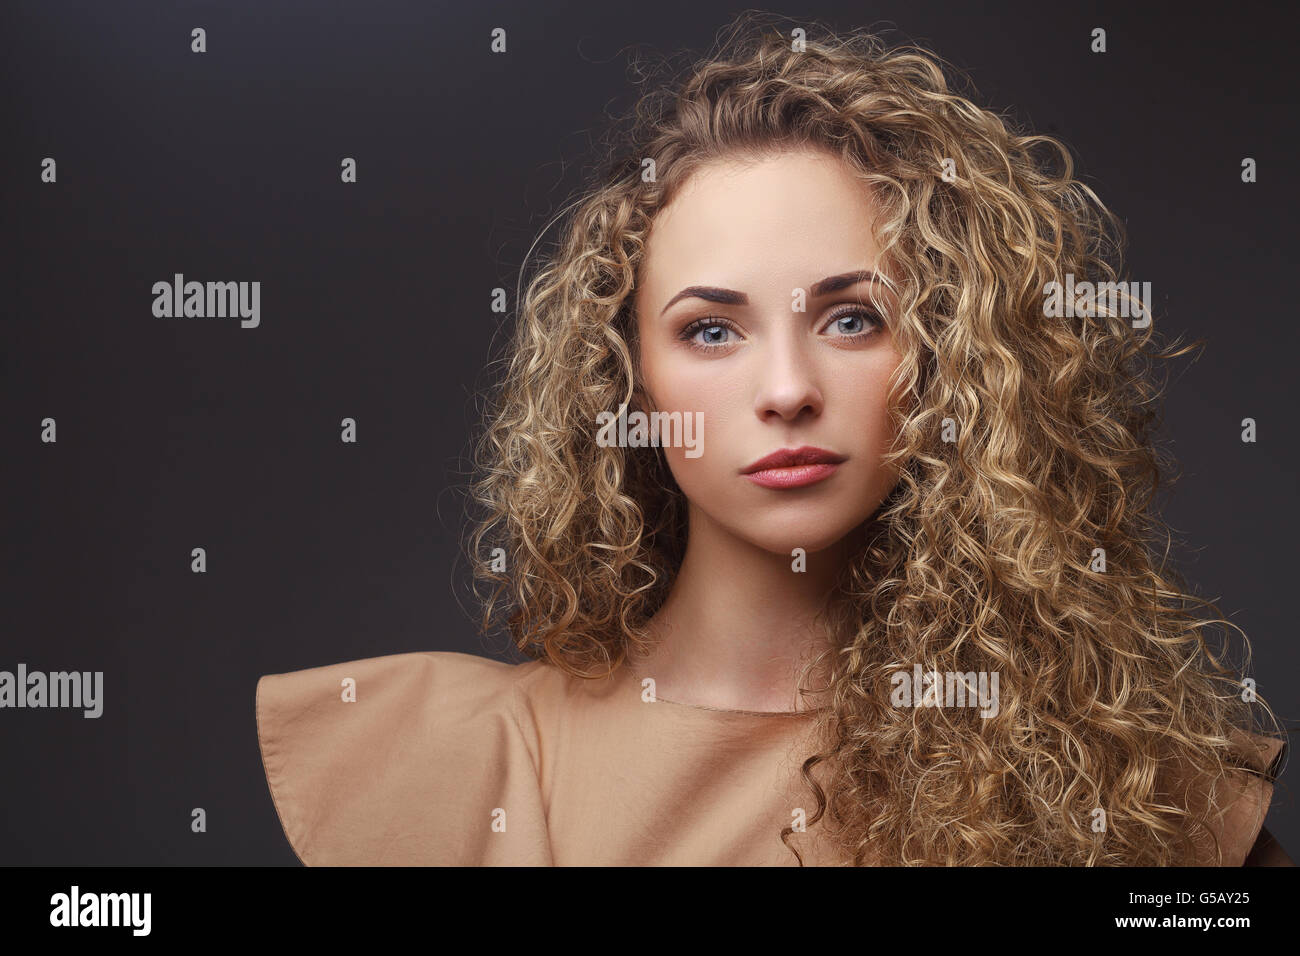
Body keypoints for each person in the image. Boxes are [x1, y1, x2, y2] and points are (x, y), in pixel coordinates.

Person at [256, 14, 1288, 866]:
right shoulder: (455, 765)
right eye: (711, 329)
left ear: (953, 355)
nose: (788, 389)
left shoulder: (1133, 792)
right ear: (626, 375)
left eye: (852, 318)